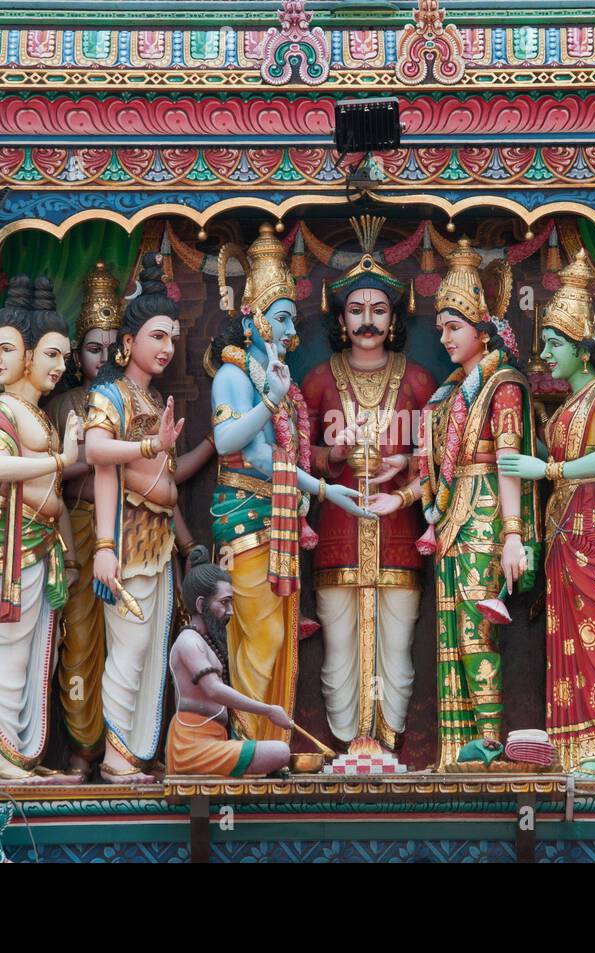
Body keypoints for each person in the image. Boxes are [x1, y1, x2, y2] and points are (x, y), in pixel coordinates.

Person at [208, 223, 368, 743]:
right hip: (246, 519)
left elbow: (277, 452)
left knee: (278, 639)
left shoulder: (277, 379)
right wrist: (320, 488)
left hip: (277, 518)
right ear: (252, 319)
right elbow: (235, 443)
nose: (288, 331)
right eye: (279, 319)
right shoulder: (235, 375)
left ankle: (268, 744)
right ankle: (247, 742)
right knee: (264, 633)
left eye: (291, 320)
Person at [302, 216, 436, 753]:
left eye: (378, 310)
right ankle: (347, 744)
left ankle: (387, 743)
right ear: (340, 319)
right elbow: (295, 457)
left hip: (401, 535)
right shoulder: (317, 380)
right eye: (356, 310)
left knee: (397, 652)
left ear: (394, 319)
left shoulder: (421, 380)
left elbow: (436, 464)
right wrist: (333, 452)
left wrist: (402, 467)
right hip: (337, 533)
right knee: (339, 654)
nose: (367, 321)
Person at [499, 250, 595, 775]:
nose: (546, 352)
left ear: (581, 349)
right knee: (562, 639)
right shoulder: (561, 411)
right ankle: (567, 745)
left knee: (591, 638)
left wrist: (548, 472)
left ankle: (593, 749)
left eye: (555, 343)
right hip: (563, 531)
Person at [419, 238, 539, 769]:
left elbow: (509, 462)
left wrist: (514, 534)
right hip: (452, 516)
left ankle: (490, 740)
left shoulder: (503, 386)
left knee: (476, 628)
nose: (444, 337)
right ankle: (457, 748)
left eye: (455, 327)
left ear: (482, 329)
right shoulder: (452, 393)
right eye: (441, 326)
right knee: (451, 633)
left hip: (487, 513)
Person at [0, 276, 82, 786]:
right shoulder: (0, 410)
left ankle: (27, 758)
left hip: (40, 547)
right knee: (11, 657)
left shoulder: (34, 411)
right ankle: (7, 761)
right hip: (10, 550)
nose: (58, 367)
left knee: (39, 658)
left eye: (5, 348)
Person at [84, 265, 197, 783]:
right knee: (128, 650)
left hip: (158, 544)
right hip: (126, 543)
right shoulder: (111, 396)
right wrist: (104, 546)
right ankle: (115, 756)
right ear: (127, 342)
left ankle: (134, 753)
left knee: (154, 651)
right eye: (156, 336)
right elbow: (98, 455)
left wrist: (187, 542)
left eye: (171, 337)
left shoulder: (153, 400)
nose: (167, 347)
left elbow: (165, 484)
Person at [45, 261, 120, 779]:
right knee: (79, 641)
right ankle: (81, 749)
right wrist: (97, 455)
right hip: (77, 530)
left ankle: (124, 749)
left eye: (115, 347)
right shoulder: (63, 403)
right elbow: (48, 477)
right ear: (77, 354)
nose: (106, 358)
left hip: (130, 537)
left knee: (128, 648)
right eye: (95, 348)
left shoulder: (135, 398)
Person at [166, 546, 292, 777]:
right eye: (224, 603)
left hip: (213, 741)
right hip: (192, 746)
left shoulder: (205, 641)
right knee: (280, 752)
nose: (230, 611)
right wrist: (269, 711)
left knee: (278, 755)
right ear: (201, 605)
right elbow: (213, 690)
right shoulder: (188, 642)